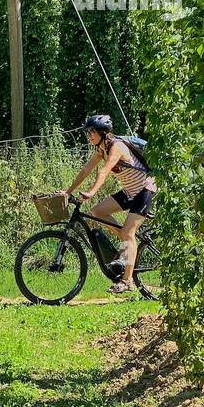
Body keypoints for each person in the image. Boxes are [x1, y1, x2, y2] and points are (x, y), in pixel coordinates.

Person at [65, 114, 155, 294]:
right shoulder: (102, 149)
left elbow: (104, 172)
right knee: (97, 211)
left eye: (91, 132)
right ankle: (127, 241)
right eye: (87, 132)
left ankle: (127, 280)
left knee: (128, 232)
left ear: (102, 132)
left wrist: (91, 192)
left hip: (145, 189)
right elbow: (86, 170)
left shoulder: (116, 147)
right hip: (130, 191)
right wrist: (68, 191)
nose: (88, 135)